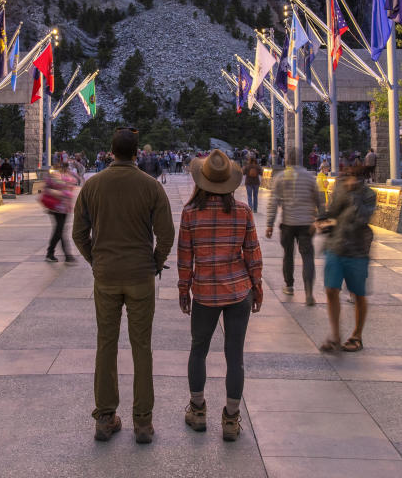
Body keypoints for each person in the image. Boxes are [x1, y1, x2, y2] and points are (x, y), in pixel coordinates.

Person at [72, 127, 175, 444]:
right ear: (137, 154)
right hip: (141, 276)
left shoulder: (93, 185)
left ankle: (105, 417)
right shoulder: (151, 187)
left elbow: (78, 233)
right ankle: (142, 423)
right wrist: (155, 263)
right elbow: (167, 234)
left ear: (111, 152)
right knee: (141, 347)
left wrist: (96, 260)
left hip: (106, 276)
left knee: (106, 344)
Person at [177, 150, 263, 443]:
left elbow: (185, 257)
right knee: (234, 356)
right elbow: (252, 254)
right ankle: (230, 419)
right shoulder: (242, 212)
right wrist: (258, 287)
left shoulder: (190, 213)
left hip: (204, 292)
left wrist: (183, 289)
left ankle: (198, 410)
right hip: (239, 291)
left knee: (198, 350)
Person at [316, 164, 376, 352]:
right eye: (347, 174)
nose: (349, 178)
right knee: (331, 289)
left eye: (353, 175)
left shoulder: (369, 195)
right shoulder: (340, 187)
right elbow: (333, 211)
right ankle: (335, 335)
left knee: (359, 293)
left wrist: (353, 195)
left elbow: (363, 219)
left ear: (361, 178)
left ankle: (357, 335)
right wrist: (322, 219)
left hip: (357, 250)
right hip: (335, 246)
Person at [266, 148, 324, 306]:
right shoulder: (309, 177)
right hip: (306, 224)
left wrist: (269, 224)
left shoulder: (281, 177)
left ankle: (289, 286)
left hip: (288, 224)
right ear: (300, 159)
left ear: (287, 160)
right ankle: (309, 293)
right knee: (307, 256)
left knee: (288, 254)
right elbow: (319, 198)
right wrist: (320, 218)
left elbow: (273, 202)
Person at [42, 166, 79, 262]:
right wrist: (59, 192)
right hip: (57, 208)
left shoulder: (67, 177)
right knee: (60, 231)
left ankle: (54, 253)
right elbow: (46, 189)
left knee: (60, 231)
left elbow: (75, 181)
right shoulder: (55, 177)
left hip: (65, 208)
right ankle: (63, 254)